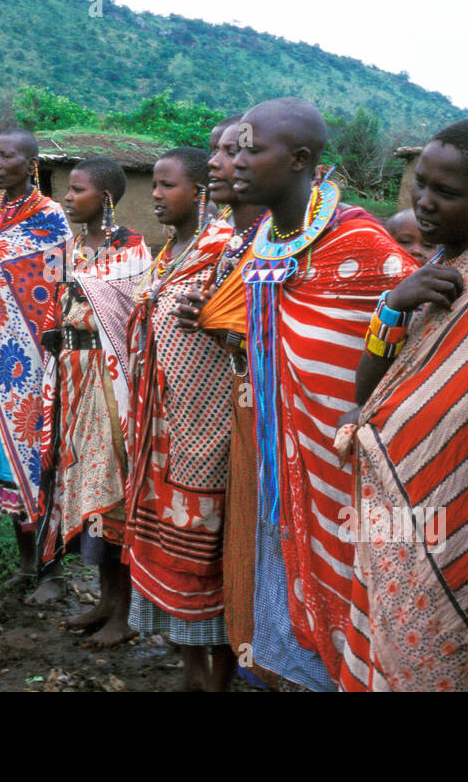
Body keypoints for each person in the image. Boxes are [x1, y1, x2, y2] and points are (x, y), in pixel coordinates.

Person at [334, 118, 468, 691]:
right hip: (394, 497)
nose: (423, 202)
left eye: (445, 192)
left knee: (447, 651)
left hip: (461, 495)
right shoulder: (427, 271)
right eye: (420, 184)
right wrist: (393, 307)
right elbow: (366, 392)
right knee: (389, 643)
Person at [231, 97, 414, 690]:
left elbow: (417, 346)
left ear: (301, 159)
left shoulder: (362, 247)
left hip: (342, 462)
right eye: (235, 147)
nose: (235, 161)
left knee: (347, 575)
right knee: (285, 574)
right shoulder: (265, 237)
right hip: (280, 457)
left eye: (252, 150)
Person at [124, 146, 236, 690]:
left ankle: (221, 671)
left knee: (208, 550)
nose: (157, 196)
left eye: (168, 186)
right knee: (169, 544)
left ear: (200, 191)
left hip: (207, 427)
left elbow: (246, 327)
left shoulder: (225, 249)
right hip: (162, 426)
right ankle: (191, 668)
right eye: (153, 187)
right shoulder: (170, 251)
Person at [41, 156, 152, 646]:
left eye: (78, 189)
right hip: (73, 377)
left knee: (114, 493)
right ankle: (105, 602)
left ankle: (125, 614)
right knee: (84, 489)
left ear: (105, 198)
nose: (67, 196)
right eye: (68, 188)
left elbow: (130, 315)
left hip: (112, 386)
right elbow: (66, 305)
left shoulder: (131, 249)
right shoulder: (74, 247)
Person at [181, 116, 276, 687]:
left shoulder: (282, 241)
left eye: (235, 151)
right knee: (236, 548)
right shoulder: (229, 239)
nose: (221, 162)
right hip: (226, 420)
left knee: (263, 544)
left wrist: (226, 328)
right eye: (217, 152)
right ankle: (239, 662)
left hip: (268, 424)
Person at [0, 129, 70, 597]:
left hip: (37, 358)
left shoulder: (50, 219)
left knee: (40, 455)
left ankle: (53, 567)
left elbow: (61, 285)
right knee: (7, 460)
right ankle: (26, 564)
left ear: (31, 164)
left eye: (5, 155)